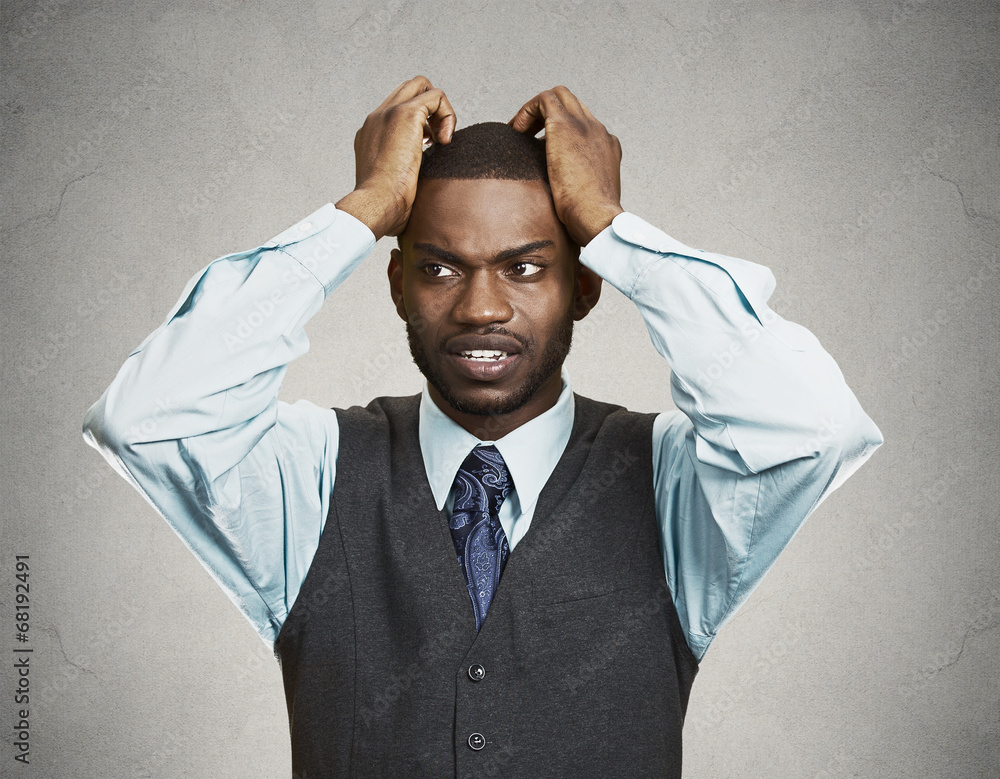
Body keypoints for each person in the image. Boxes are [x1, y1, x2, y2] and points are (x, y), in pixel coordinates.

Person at [82, 76, 883, 777]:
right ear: (395, 284)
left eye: (526, 266)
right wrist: (359, 215)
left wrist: (610, 228)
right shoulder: (312, 472)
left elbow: (813, 428)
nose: (482, 308)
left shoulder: (677, 485)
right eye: (438, 267)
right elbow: (149, 418)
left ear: (587, 287)